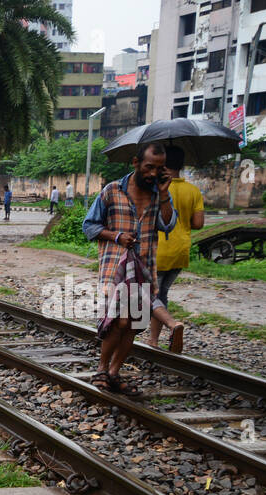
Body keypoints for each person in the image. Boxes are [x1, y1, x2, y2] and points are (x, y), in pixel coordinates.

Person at [81, 142, 178, 397]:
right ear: (136, 163)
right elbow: (90, 226)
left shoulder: (159, 194)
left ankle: (114, 372)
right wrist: (116, 236)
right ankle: (102, 370)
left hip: (145, 267)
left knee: (134, 324)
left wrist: (165, 194)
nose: (153, 173)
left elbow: (167, 225)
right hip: (115, 267)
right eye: (148, 167)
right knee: (118, 321)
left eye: (159, 169)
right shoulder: (112, 191)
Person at [152, 145, 203, 353]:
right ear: (182, 164)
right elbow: (198, 223)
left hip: (157, 249)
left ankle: (171, 324)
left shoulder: (157, 187)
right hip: (180, 250)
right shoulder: (193, 190)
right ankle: (153, 340)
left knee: (146, 295)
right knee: (161, 294)